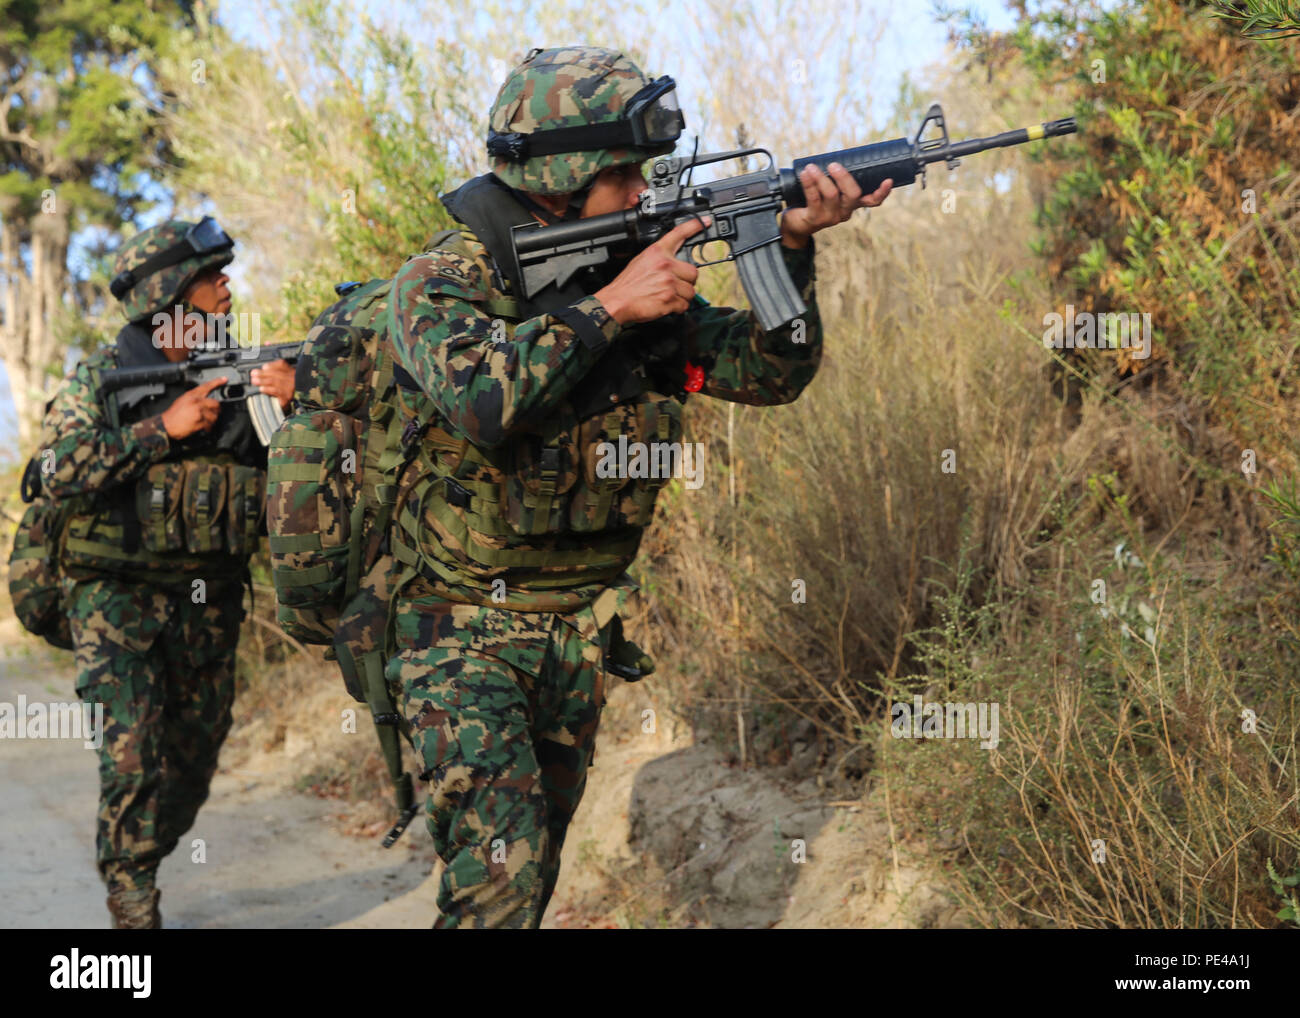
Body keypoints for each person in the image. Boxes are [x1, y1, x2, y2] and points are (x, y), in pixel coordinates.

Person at [382, 46, 890, 928]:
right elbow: (478, 399)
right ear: (562, 176)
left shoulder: (629, 279)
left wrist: (795, 248)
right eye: (623, 173)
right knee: (498, 887)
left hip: (576, 634)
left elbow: (771, 374)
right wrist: (609, 309)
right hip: (456, 633)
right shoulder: (444, 280)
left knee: (522, 888)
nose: (643, 189)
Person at [39, 218, 295, 928]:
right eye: (211, 277)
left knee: (192, 762)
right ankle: (132, 898)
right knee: (132, 756)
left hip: (207, 605)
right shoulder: (101, 377)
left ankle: (138, 856)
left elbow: (294, 494)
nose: (226, 287)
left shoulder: (246, 374)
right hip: (115, 600)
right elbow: (55, 470)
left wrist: (300, 412)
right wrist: (163, 428)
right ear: (168, 297)